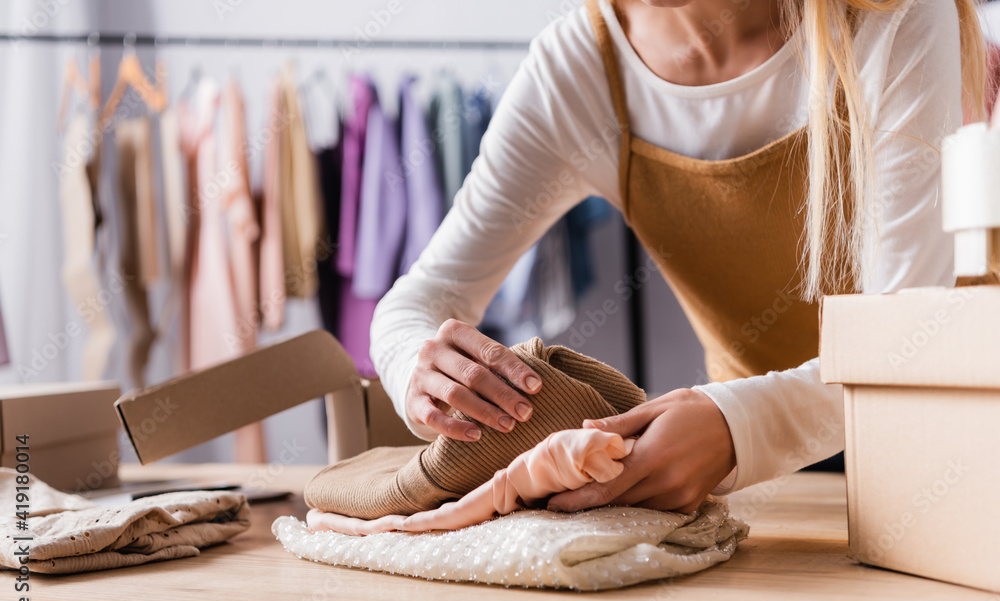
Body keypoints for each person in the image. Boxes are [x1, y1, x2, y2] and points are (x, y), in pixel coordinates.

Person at [370, 0, 985, 513]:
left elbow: (905, 339)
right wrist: (419, 368)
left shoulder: (891, 16)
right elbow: (420, 300)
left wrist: (737, 425)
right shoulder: (580, 70)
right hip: (766, 477)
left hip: (962, 443)